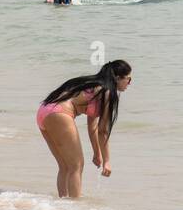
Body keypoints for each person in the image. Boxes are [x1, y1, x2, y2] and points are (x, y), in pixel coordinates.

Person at [36, 60, 133, 198]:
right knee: (77, 166)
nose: (129, 83)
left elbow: (92, 125)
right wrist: (107, 161)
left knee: (65, 166)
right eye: (128, 79)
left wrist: (97, 153)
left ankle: (63, 205)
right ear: (118, 78)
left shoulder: (94, 86)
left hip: (44, 112)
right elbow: (103, 131)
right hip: (59, 113)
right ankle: (75, 207)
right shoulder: (107, 92)